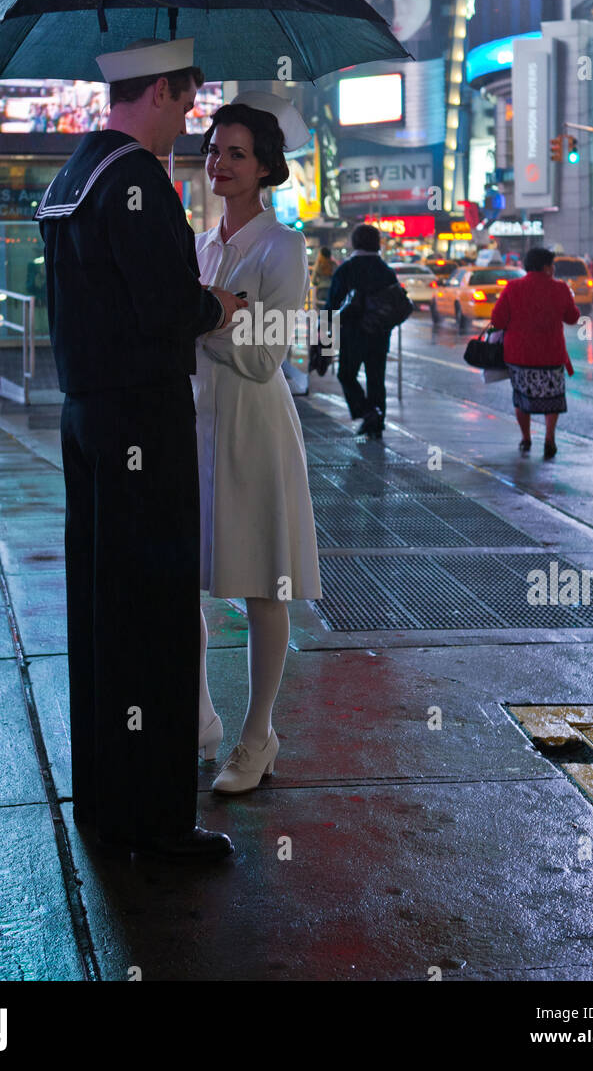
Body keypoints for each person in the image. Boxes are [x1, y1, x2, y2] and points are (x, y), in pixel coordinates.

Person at [36, 37, 246, 861]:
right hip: (140, 424)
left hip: (86, 416)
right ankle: (156, 824)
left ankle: (106, 800)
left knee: (101, 611)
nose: (188, 121)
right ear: (158, 89)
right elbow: (164, 306)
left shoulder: (74, 172)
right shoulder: (133, 178)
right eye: (188, 102)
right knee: (155, 616)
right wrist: (217, 305)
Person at [194, 95, 322, 794]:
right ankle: (203, 716)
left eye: (236, 153)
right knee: (189, 577)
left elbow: (264, 353)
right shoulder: (201, 243)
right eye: (215, 149)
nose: (220, 162)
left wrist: (208, 316)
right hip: (198, 422)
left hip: (254, 425)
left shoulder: (283, 245)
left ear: (265, 166)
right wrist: (222, 313)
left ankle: (257, 734)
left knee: (263, 583)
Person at [490, 246, 579, 459]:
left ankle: (526, 438)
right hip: (551, 355)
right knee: (553, 398)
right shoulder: (560, 288)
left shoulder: (512, 288)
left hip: (520, 356)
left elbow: (498, 320)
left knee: (522, 398)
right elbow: (573, 318)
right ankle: (550, 439)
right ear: (547, 267)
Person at [327, 223, 399, 437]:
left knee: (346, 374)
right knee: (376, 378)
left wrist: (323, 332)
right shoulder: (386, 271)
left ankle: (367, 412)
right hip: (380, 334)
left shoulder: (347, 269)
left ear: (355, 242)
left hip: (352, 334)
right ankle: (377, 420)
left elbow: (332, 303)